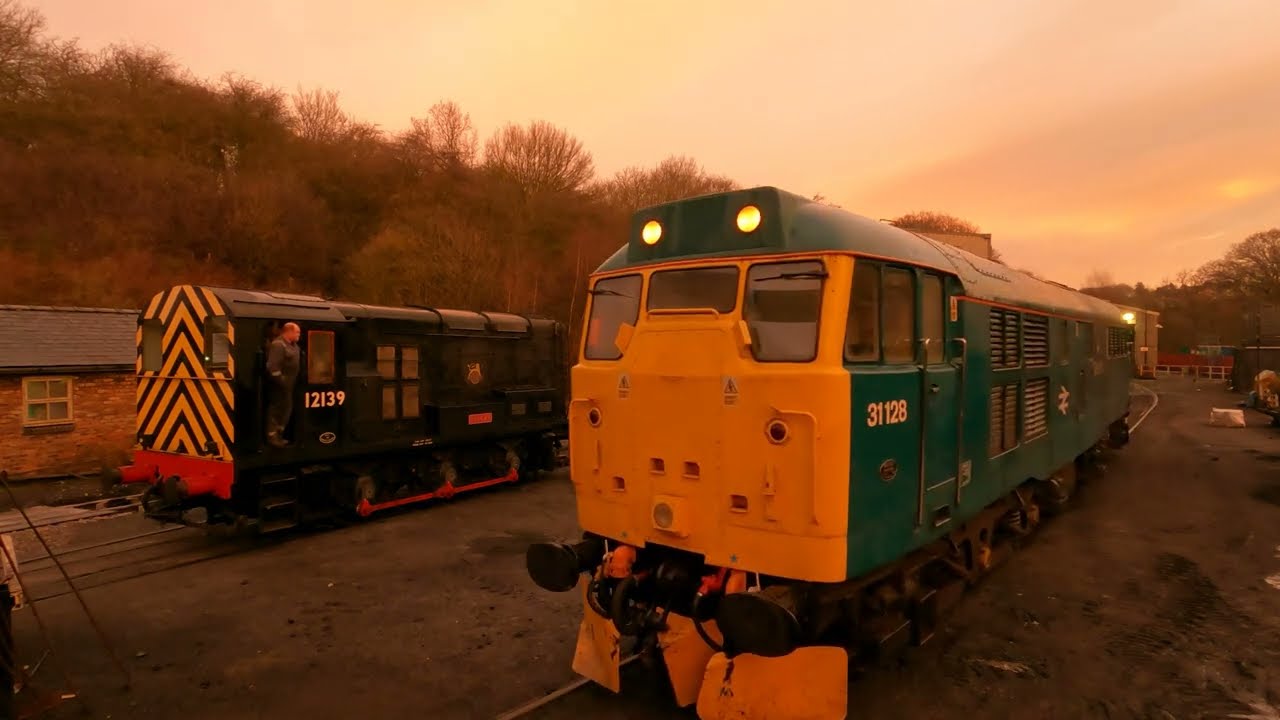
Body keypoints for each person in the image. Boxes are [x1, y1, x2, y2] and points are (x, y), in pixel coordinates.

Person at [265, 322, 301, 447]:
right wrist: (281, 381)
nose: (299, 335)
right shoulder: (278, 345)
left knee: (287, 409)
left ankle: (280, 434)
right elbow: (272, 366)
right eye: (297, 332)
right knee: (276, 409)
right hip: (279, 385)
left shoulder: (294, 346)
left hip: (290, 385)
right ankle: (272, 436)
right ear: (289, 331)